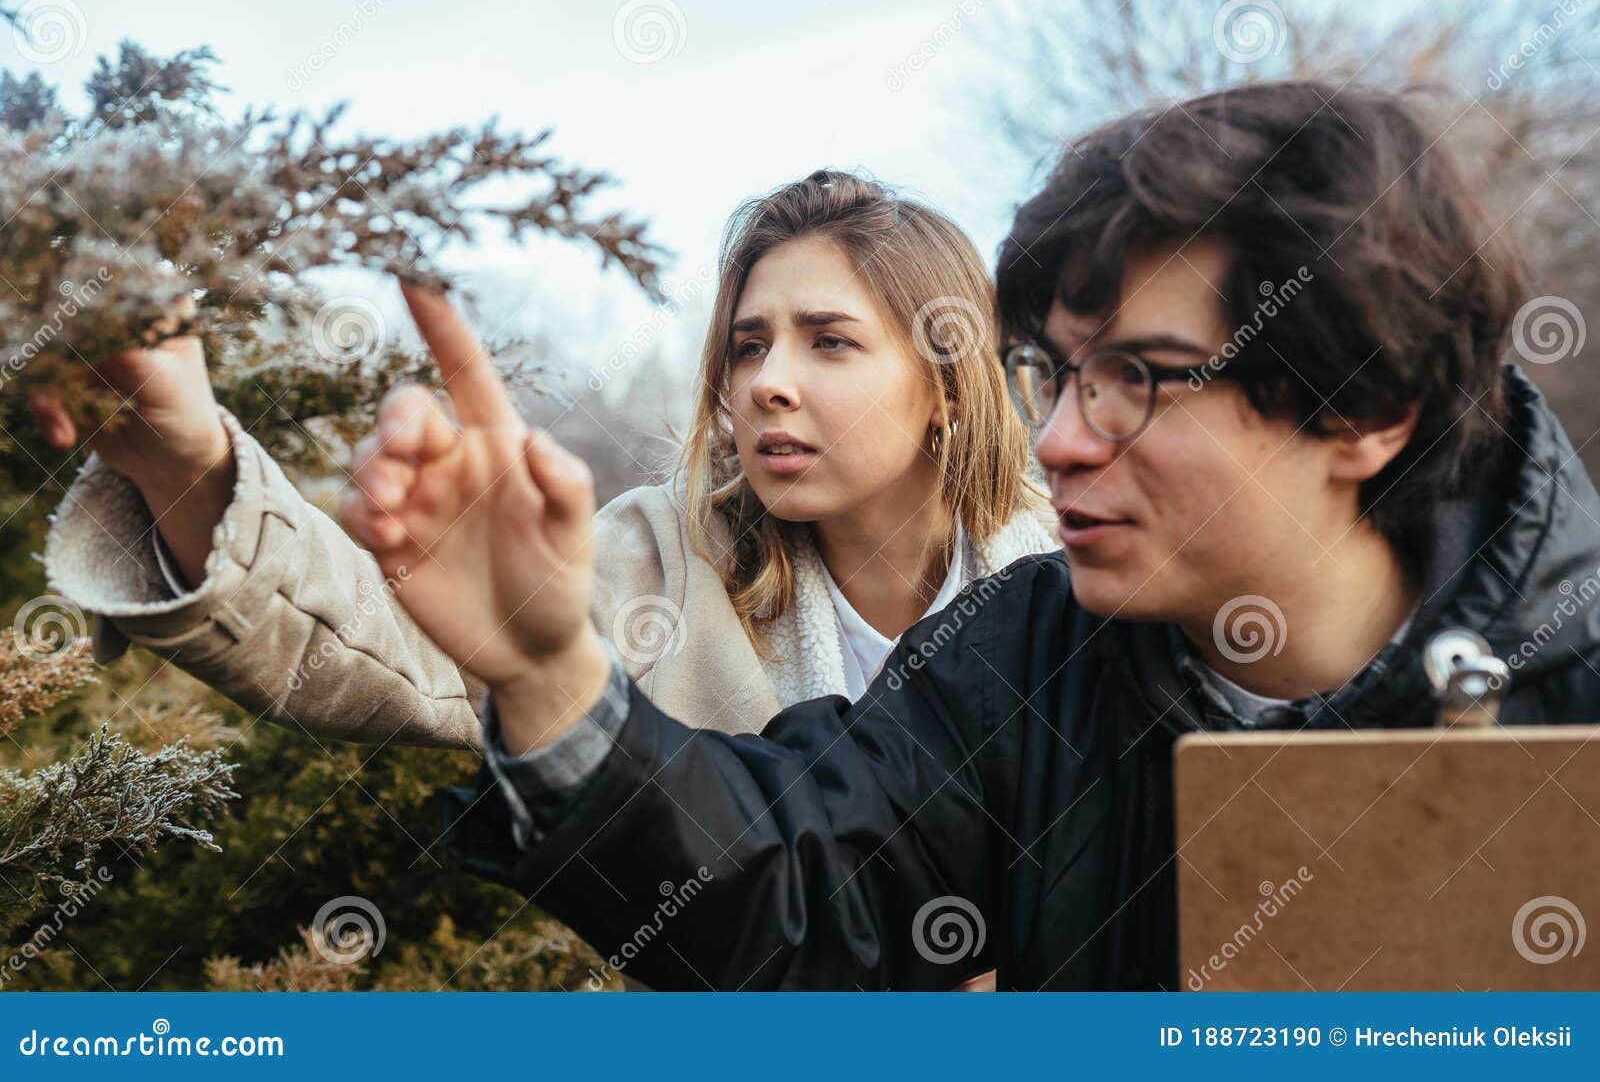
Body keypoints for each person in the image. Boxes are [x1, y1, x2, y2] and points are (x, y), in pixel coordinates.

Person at [396, 81, 1600, 990]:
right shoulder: (1028, 658)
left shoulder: (1573, 681)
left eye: (1139, 376)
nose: (1065, 439)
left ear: (1364, 410)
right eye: (1056, 373)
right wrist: (550, 671)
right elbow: (793, 887)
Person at [33, 170, 1055, 759]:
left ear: (949, 386)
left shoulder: (1089, 575)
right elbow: (403, 655)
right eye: (747, 345)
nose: (767, 384)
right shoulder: (659, 560)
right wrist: (185, 456)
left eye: (829, 340)